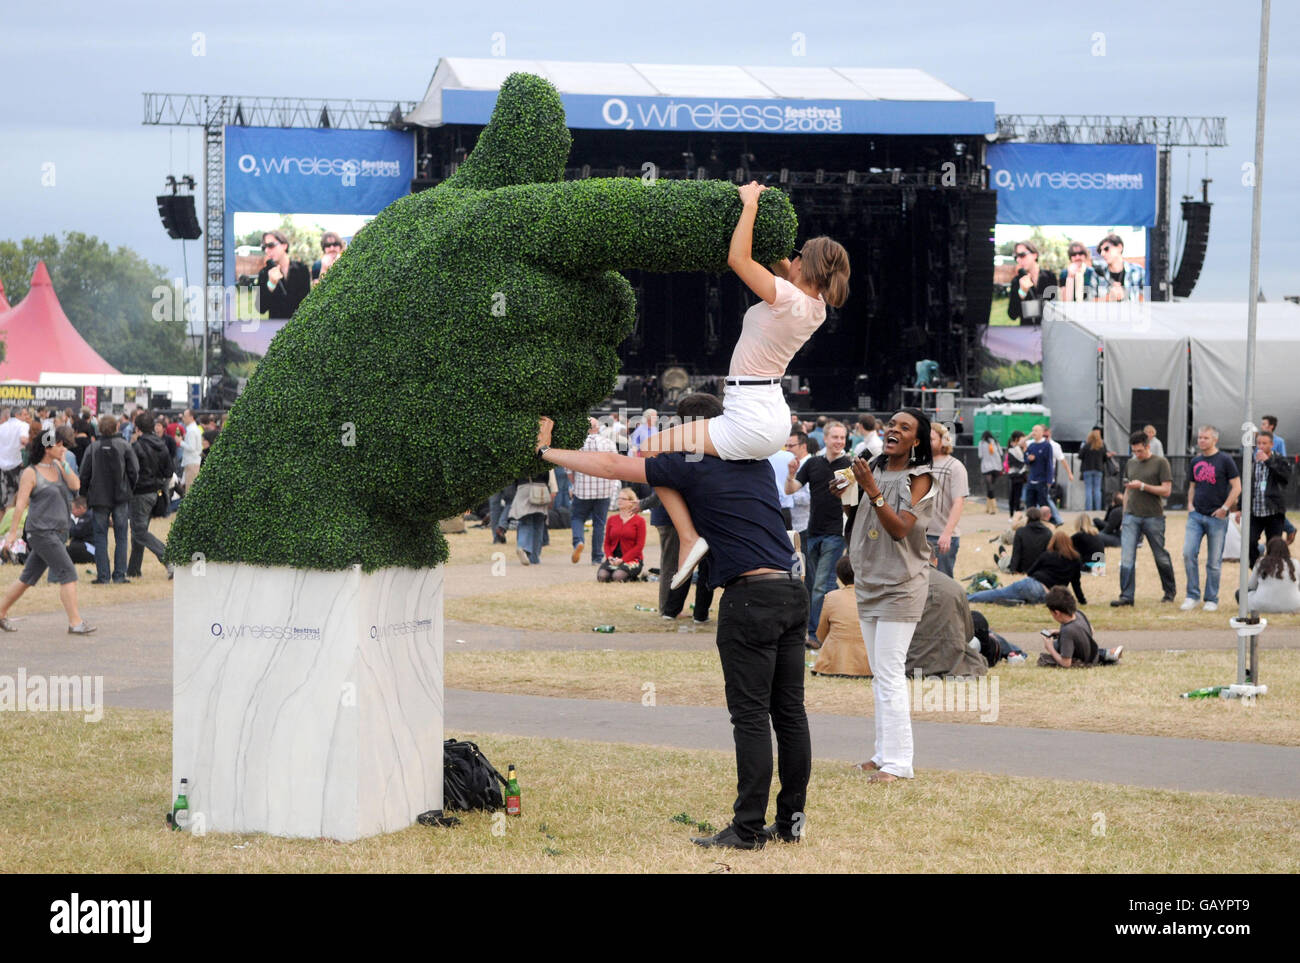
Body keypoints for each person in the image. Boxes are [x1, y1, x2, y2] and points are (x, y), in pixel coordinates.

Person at [537, 393, 811, 849]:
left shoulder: (688, 466)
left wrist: (545, 451)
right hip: (791, 588)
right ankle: (790, 825)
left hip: (750, 598)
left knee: (750, 717)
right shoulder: (756, 463)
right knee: (790, 715)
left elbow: (609, 466)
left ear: (687, 431)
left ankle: (746, 830)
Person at [637, 181, 850, 591]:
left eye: (800, 256)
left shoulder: (787, 298)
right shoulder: (816, 306)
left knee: (652, 449)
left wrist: (750, 203)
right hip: (765, 408)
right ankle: (731, 539)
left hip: (751, 410)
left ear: (807, 265)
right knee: (694, 464)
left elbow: (739, 258)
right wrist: (762, 220)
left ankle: (689, 536)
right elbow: (781, 265)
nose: (793, 259)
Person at [844, 408, 934, 783]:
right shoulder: (873, 469)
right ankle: (883, 753)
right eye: (892, 425)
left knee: (891, 673)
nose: (894, 430)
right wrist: (848, 495)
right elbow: (860, 521)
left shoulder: (922, 479)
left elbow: (899, 530)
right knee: (879, 675)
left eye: (904, 427)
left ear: (917, 441)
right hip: (869, 580)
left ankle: (899, 763)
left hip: (901, 584)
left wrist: (870, 489)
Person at [0, 431, 94, 633]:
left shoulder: (60, 466)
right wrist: (13, 532)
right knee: (68, 572)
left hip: (59, 530)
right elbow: (20, 505)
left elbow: (76, 485)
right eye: (59, 445)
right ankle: (75, 622)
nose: (63, 448)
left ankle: (0, 612)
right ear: (47, 448)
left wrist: (64, 462)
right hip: (41, 532)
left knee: (27, 578)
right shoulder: (31, 473)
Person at [784, 420, 851, 646]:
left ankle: (816, 635)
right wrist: (791, 475)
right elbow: (790, 489)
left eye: (842, 438)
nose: (839, 442)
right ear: (825, 438)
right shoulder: (813, 463)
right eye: (835, 437)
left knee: (822, 585)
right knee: (817, 586)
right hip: (813, 532)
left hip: (835, 532)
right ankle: (828, 629)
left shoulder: (849, 465)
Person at [1181, 425, 1241, 612]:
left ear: (1215, 440)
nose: (1201, 441)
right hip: (1196, 515)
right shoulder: (1195, 461)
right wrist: (1190, 505)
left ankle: (1211, 598)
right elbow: (1192, 485)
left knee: (1214, 561)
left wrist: (1225, 508)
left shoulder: (1225, 460)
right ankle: (1192, 595)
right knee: (1188, 553)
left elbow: (1237, 487)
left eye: (1205, 438)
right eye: (1199, 438)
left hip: (1217, 517)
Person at [1112, 430, 1176, 606]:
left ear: (1148, 446)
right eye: (1134, 451)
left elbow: (1166, 490)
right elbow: (1127, 490)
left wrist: (1143, 486)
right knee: (1126, 557)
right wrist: (1124, 516)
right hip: (1131, 516)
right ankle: (1126, 596)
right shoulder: (1131, 463)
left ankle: (1169, 592)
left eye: (1140, 451)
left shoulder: (1161, 463)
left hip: (1153, 516)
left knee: (1160, 556)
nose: (1136, 454)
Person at [79, 415, 138, 585]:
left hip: (98, 497)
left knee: (100, 536)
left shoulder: (93, 447)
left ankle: (103, 576)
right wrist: (130, 488)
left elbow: (84, 473)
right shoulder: (125, 446)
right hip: (120, 496)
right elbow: (134, 470)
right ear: (116, 427)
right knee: (121, 536)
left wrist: (84, 494)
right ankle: (119, 575)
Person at [908, 553, 988, 678]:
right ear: (936, 561)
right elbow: (968, 635)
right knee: (978, 638)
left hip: (910, 662)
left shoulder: (900, 584)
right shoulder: (955, 587)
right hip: (951, 661)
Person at [968, 528, 1085, 605]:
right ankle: (1018, 601)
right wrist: (1082, 601)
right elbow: (1076, 584)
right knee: (1019, 597)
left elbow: (1030, 572)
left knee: (999, 593)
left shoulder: (1048, 555)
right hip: (1048, 596)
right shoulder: (1075, 559)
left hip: (1033, 585)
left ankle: (968, 598)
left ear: (1053, 542)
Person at [126, 413, 175, 579]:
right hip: (157, 492)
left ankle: (168, 558)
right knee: (140, 530)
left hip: (140, 493)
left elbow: (132, 472)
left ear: (137, 429)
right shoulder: (162, 445)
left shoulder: (136, 447)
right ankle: (133, 570)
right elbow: (169, 471)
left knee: (139, 531)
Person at [1235, 428, 1291, 569]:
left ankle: (1273, 573)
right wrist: (1240, 508)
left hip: (1273, 511)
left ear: (1271, 444)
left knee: (1274, 546)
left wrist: (1269, 461)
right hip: (1255, 512)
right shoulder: (1252, 462)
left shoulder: (1279, 459)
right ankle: (1257, 571)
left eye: (1264, 443)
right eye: (1258, 443)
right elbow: (1246, 485)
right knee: (1249, 542)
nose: (1260, 446)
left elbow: (1285, 478)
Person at [569, 418, 619, 565]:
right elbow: (615, 465)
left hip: (583, 489)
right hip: (604, 489)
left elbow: (569, 469)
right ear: (597, 428)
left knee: (577, 518)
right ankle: (596, 558)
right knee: (599, 524)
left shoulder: (576, 444)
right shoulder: (608, 443)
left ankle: (578, 541)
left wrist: (574, 484)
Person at [811, 556, 871, 677]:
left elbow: (821, 634)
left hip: (834, 664)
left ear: (839, 576)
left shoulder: (831, 597)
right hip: (868, 665)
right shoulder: (874, 596)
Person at [926, 423, 969, 577]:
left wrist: (947, 532)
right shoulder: (920, 465)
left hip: (941, 537)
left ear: (944, 441)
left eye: (930, 439)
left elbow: (959, 502)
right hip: (920, 535)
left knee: (942, 581)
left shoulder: (955, 467)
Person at [1038, 587, 1122, 667]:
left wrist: (1050, 648)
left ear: (1057, 613)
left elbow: (1066, 663)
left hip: (1083, 659)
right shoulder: (1078, 613)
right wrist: (1059, 632)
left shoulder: (1067, 631)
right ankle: (1108, 654)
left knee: (1053, 646)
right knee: (1056, 643)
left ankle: (1108, 654)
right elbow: (1091, 630)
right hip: (1092, 653)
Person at [257, 230, 310, 319]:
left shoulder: (302, 269)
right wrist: (271, 284)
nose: (266, 250)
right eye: (264, 247)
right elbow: (261, 308)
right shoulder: (264, 273)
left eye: (271, 245)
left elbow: (307, 304)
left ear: (284, 245)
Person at [597, 488, 646, 582]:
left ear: (631, 502)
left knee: (618, 576)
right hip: (614, 558)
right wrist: (609, 557)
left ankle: (632, 577)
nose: (619, 501)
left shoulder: (640, 521)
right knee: (602, 576)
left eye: (623, 499)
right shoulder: (612, 519)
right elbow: (607, 542)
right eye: (618, 498)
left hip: (632, 559)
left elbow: (639, 546)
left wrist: (623, 559)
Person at [509, 468, 554, 565]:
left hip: (523, 488)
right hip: (541, 489)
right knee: (539, 524)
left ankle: (522, 546)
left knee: (525, 521)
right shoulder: (542, 455)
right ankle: (534, 557)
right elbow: (547, 476)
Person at [1243, 537, 1300, 613]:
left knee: (1240, 594)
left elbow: (1251, 586)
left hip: (1262, 606)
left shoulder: (1261, 562)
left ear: (1268, 549)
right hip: (1294, 606)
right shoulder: (1295, 563)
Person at [1007, 240, 1057, 325]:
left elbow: (1056, 308)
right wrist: (1022, 292)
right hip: (1027, 332)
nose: (1018, 260)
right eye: (1016, 257)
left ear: (1035, 255)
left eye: (1022, 255)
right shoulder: (1017, 281)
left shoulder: (1050, 276)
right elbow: (1012, 315)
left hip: (1048, 330)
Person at [1023, 424, 1060, 523]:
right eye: (1032, 431)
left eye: (1036, 431)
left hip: (1042, 480)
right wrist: (1029, 459)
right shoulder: (1031, 445)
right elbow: (1025, 459)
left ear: (1041, 433)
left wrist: (1049, 479)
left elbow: (1049, 463)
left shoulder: (1047, 446)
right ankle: (1031, 522)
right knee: (1030, 503)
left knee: (1043, 503)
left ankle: (1052, 521)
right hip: (1032, 479)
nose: (1033, 433)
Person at [786, 430, 812, 554]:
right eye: (786, 446)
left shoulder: (810, 464)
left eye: (791, 446)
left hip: (804, 525)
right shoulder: (791, 463)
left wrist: (787, 496)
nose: (787, 449)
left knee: (805, 568)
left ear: (803, 446)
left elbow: (809, 497)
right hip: (792, 524)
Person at [1098, 233, 1145, 302]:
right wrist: (1109, 298)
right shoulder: (1098, 273)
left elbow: (1147, 298)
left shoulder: (1138, 271)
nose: (1102, 253)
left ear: (1119, 247)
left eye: (1106, 249)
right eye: (1100, 251)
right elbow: (1090, 301)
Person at [0, 407, 31, 507]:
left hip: (2, 468)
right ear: (17, 415)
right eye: (25, 414)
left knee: (4, 501)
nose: (27, 417)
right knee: (20, 500)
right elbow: (23, 440)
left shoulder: (2, 427)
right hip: (17, 467)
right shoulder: (23, 425)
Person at [1009, 506, 1053, 574]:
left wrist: (1012, 570)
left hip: (1023, 568)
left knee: (1005, 561)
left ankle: (1002, 555)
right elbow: (1048, 553)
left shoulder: (1020, 531)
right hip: (1040, 568)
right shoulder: (1048, 532)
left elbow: (1016, 553)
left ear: (1027, 518)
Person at [1043, 427, 1074, 514]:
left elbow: (1062, 460)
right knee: (1043, 497)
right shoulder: (1035, 443)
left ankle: (1055, 516)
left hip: (1047, 475)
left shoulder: (1054, 446)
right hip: (1038, 474)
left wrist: (1069, 473)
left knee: (1045, 497)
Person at [1079, 429, 1108, 512]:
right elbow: (1105, 458)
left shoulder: (1086, 445)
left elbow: (1080, 456)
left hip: (1087, 469)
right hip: (1098, 469)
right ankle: (1098, 509)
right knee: (1097, 489)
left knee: (1088, 489)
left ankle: (1089, 509)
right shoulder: (1102, 446)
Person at [978, 430, 1002, 515]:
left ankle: (993, 508)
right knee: (992, 486)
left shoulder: (981, 443)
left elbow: (980, 455)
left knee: (990, 487)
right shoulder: (995, 442)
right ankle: (988, 508)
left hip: (987, 466)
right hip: (997, 466)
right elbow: (1001, 452)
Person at [180, 408, 203, 494]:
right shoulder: (192, 429)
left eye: (185, 416)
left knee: (190, 491)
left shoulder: (192, 430)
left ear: (191, 417)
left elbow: (191, 447)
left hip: (192, 463)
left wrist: (180, 442)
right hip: (192, 462)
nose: (183, 418)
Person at [66, 496, 95, 564]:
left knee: (65, 551)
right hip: (92, 549)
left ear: (81, 508)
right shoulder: (88, 515)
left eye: (73, 509)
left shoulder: (88, 517)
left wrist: (71, 521)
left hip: (92, 549)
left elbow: (76, 532)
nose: (72, 512)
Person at [1005, 430, 1028, 516]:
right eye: (1022, 439)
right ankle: (1014, 514)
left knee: (1016, 495)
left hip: (1017, 475)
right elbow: (1022, 461)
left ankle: (1013, 514)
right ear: (1017, 439)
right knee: (1015, 495)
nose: (1024, 441)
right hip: (1017, 475)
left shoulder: (1014, 448)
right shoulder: (1014, 449)